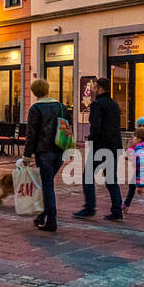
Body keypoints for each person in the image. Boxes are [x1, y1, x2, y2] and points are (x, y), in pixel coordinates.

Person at [74, 77, 123, 221]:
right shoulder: (114, 104)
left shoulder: (97, 105)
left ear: (100, 88)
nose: (93, 89)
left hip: (101, 146)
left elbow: (96, 126)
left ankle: (89, 208)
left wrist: (91, 139)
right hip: (114, 146)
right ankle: (117, 211)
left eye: (94, 87)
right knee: (111, 179)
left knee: (87, 177)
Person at [23, 78, 65, 233]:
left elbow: (31, 134)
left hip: (44, 152)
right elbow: (66, 127)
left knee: (47, 186)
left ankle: (51, 221)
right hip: (59, 150)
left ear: (34, 92)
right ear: (48, 88)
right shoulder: (60, 106)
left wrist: (27, 156)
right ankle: (42, 216)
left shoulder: (36, 109)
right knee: (47, 184)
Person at [122, 116, 144, 211]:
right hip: (138, 168)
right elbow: (130, 149)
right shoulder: (135, 139)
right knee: (132, 186)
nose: (142, 128)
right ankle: (126, 205)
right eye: (139, 125)